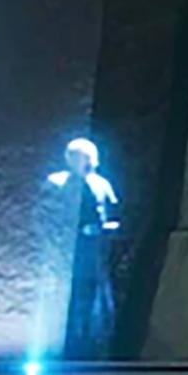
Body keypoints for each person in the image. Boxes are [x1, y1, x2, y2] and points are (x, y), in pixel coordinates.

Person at [47, 138, 121, 358]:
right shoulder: (56, 184)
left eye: (90, 159)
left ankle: (91, 344)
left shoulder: (102, 185)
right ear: (70, 159)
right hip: (65, 255)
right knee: (68, 299)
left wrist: (108, 229)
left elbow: (113, 213)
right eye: (83, 158)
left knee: (94, 299)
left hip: (95, 254)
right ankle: (67, 343)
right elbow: (46, 219)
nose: (88, 163)